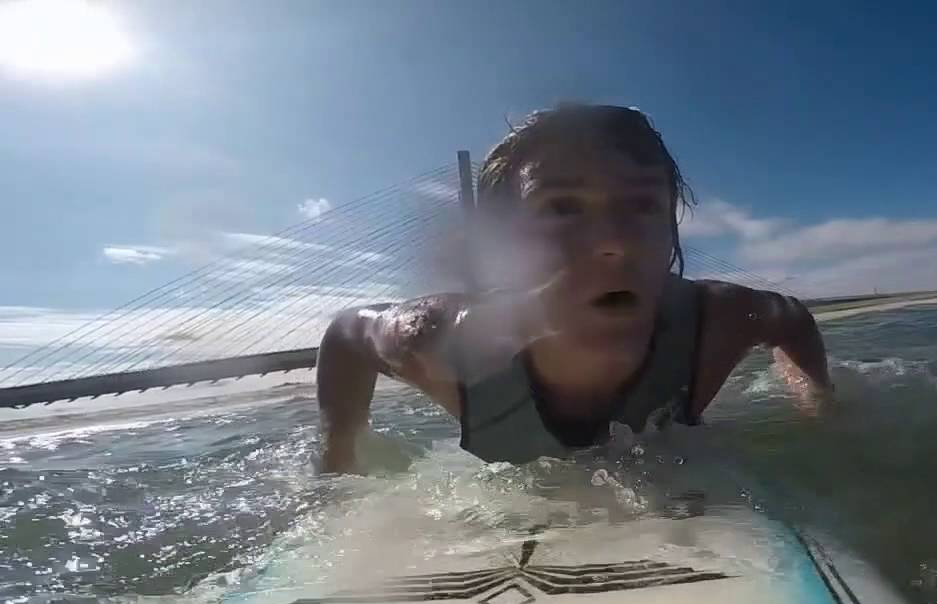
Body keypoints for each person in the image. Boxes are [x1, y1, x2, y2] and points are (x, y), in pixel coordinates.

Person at [316, 104, 833, 472]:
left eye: (643, 206)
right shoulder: (441, 342)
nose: (614, 243)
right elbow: (345, 334)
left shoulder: (714, 322)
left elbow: (790, 317)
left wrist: (814, 398)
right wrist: (339, 450)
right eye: (562, 207)